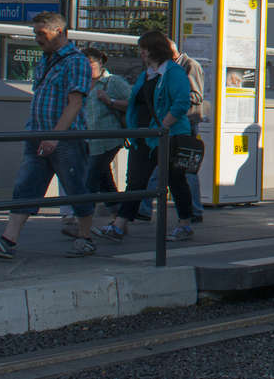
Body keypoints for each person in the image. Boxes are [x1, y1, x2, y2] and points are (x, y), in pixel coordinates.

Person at [0, 12, 96, 260]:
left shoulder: (75, 61)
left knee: (76, 188)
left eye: (41, 33)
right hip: (37, 134)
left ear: (58, 31)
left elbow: (75, 102)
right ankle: (8, 239)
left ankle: (85, 237)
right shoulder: (46, 60)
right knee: (25, 187)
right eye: (35, 33)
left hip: (65, 139)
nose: (37, 38)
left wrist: (55, 136)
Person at [93, 31, 198, 243]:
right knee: (135, 181)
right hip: (143, 136)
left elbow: (181, 103)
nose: (141, 52)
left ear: (154, 50)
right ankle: (120, 226)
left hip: (167, 136)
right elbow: (135, 102)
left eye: (144, 48)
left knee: (175, 180)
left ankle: (185, 223)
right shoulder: (146, 74)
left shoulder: (173, 73)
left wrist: (162, 127)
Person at [141, 37, 206, 222]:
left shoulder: (186, 66)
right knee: (161, 170)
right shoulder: (156, 70)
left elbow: (195, 96)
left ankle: (193, 212)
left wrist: (173, 96)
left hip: (183, 124)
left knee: (182, 171)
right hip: (167, 125)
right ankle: (144, 209)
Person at [83, 48, 131, 224]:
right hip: (89, 140)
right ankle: (118, 216)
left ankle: (79, 220)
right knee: (104, 178)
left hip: (109, 138)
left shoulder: (113, 82)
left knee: (90, 177)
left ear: (100, 63)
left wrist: (110, 101)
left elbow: (133, 104)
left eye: (91, 64)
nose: (88, 68)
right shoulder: (83, 84)